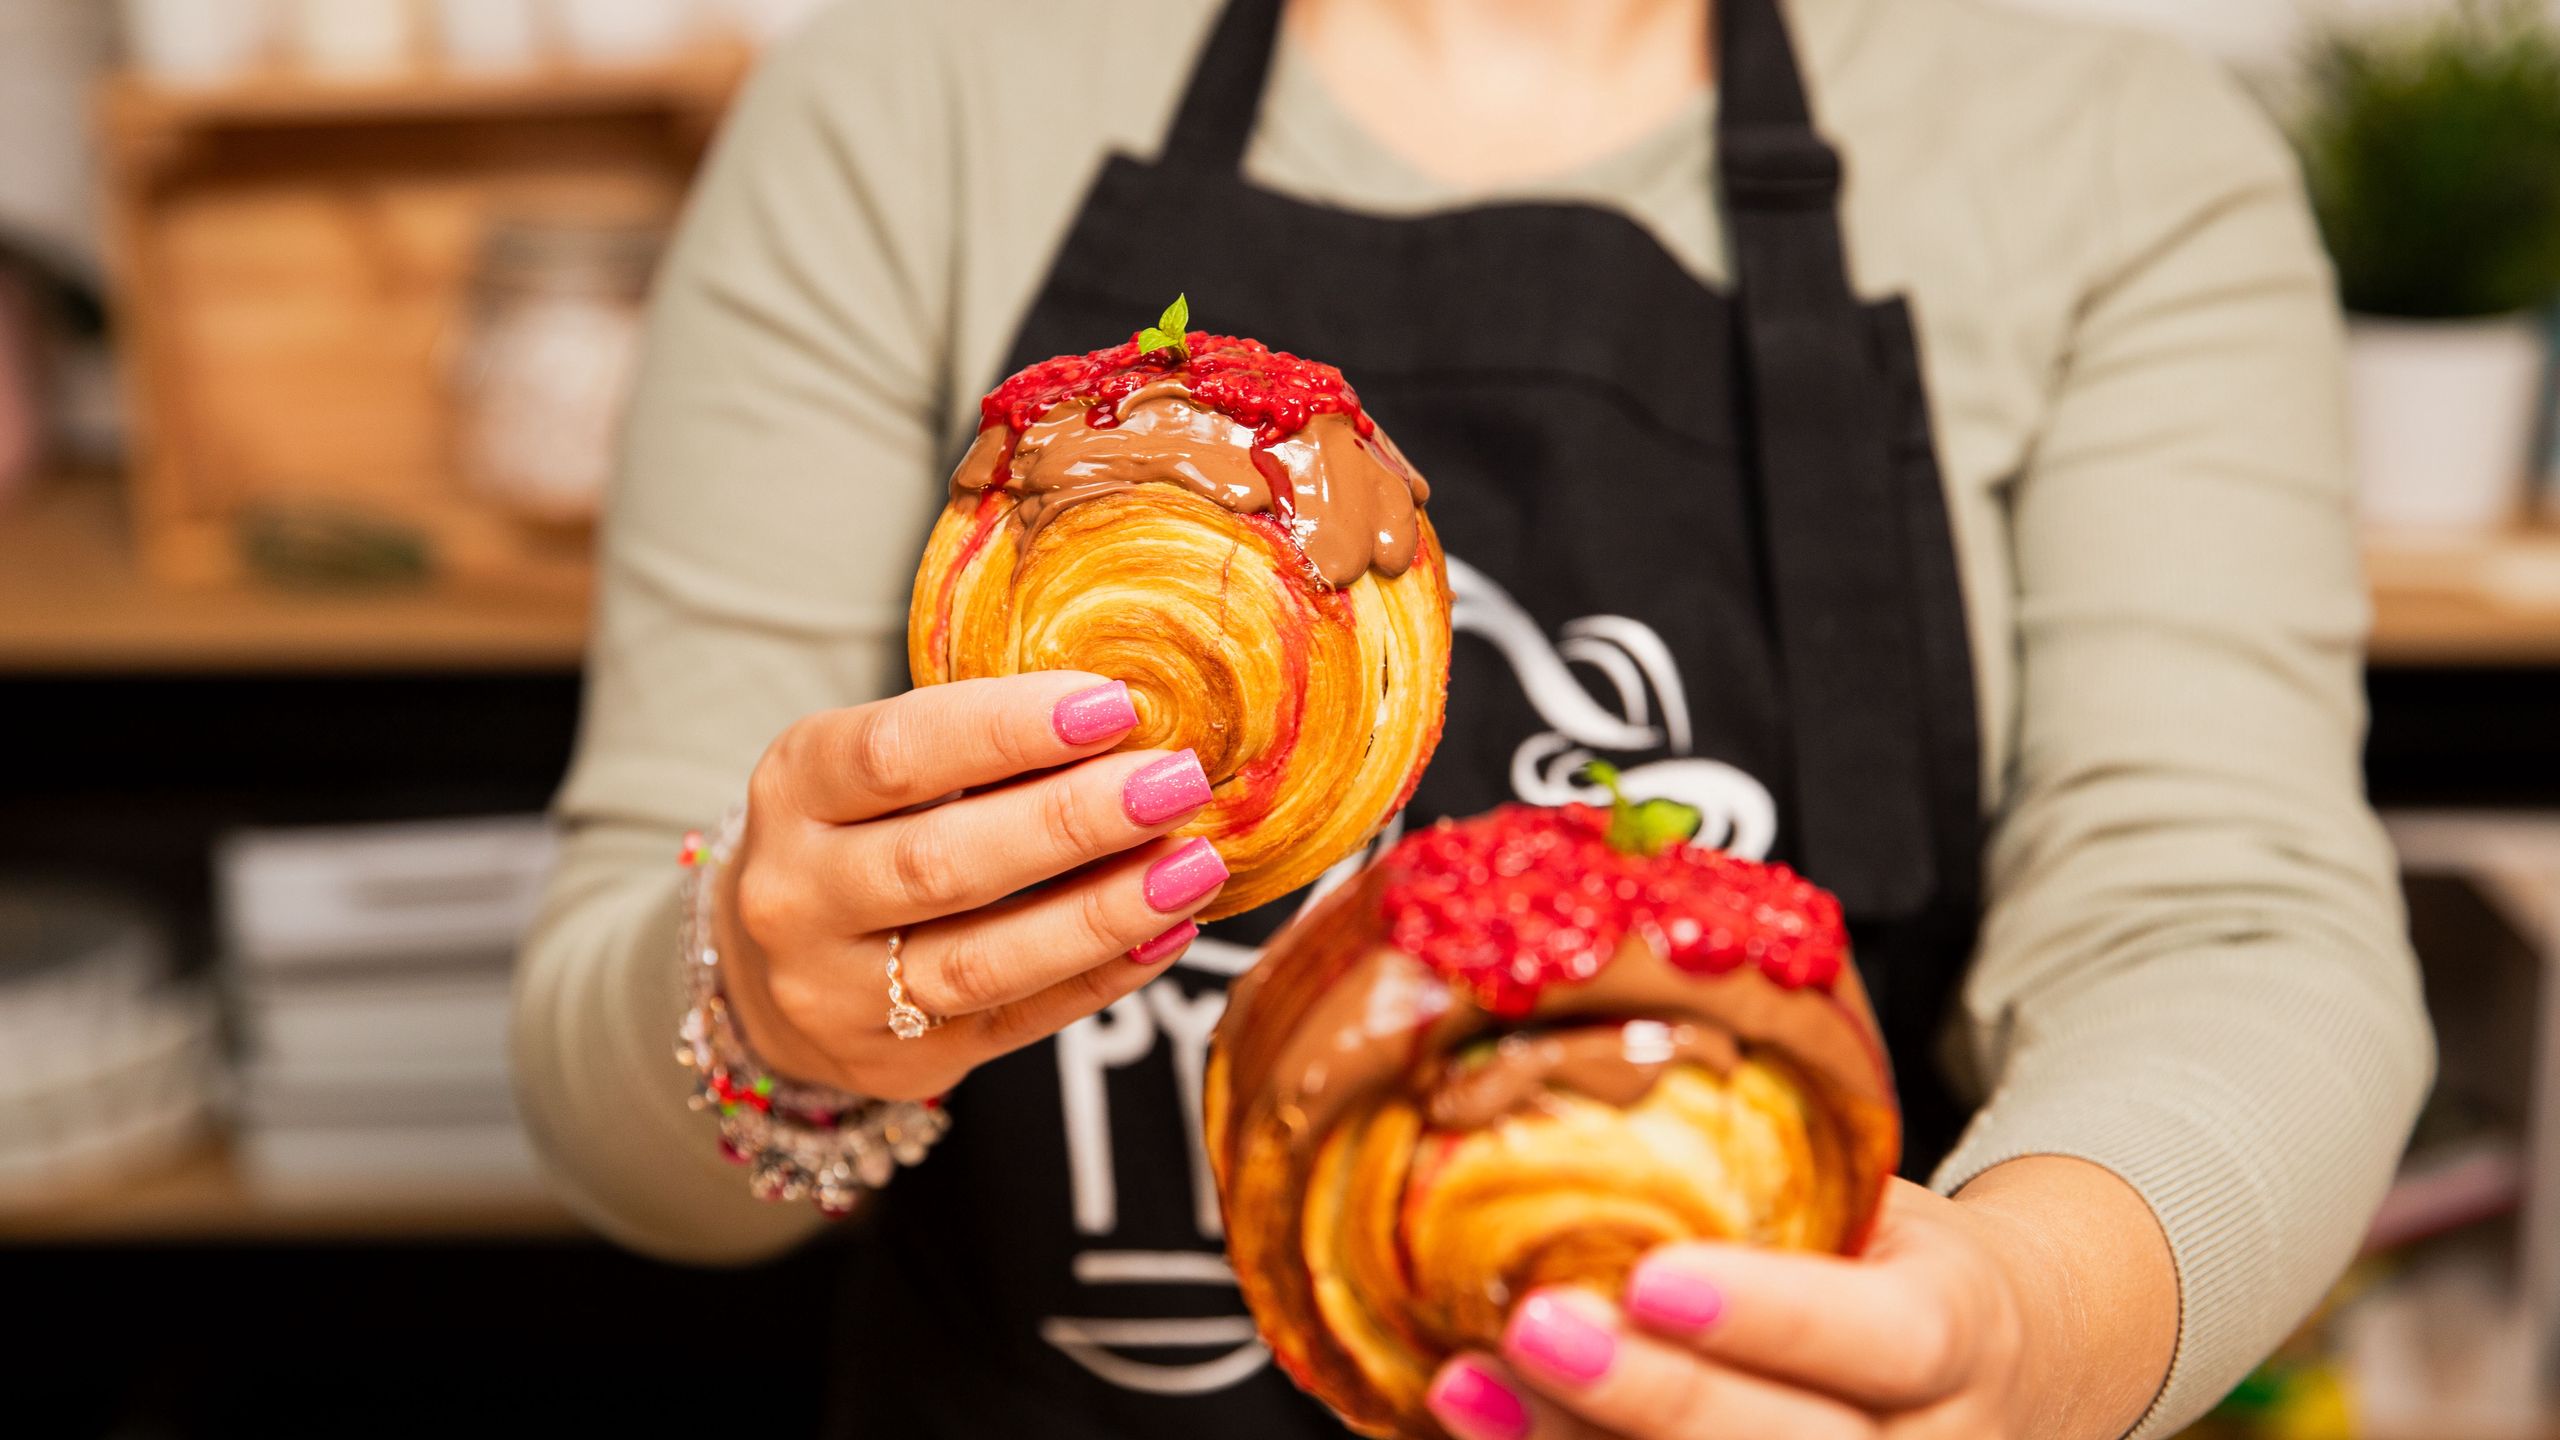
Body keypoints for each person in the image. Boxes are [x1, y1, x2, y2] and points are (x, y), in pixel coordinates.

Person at [512, 0, 2434, 1436]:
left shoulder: (2111, 156)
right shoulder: (904, 102)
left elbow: (2226, 927)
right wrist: (767, 1009)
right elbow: (610, 1093)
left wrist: (2021, 1328)